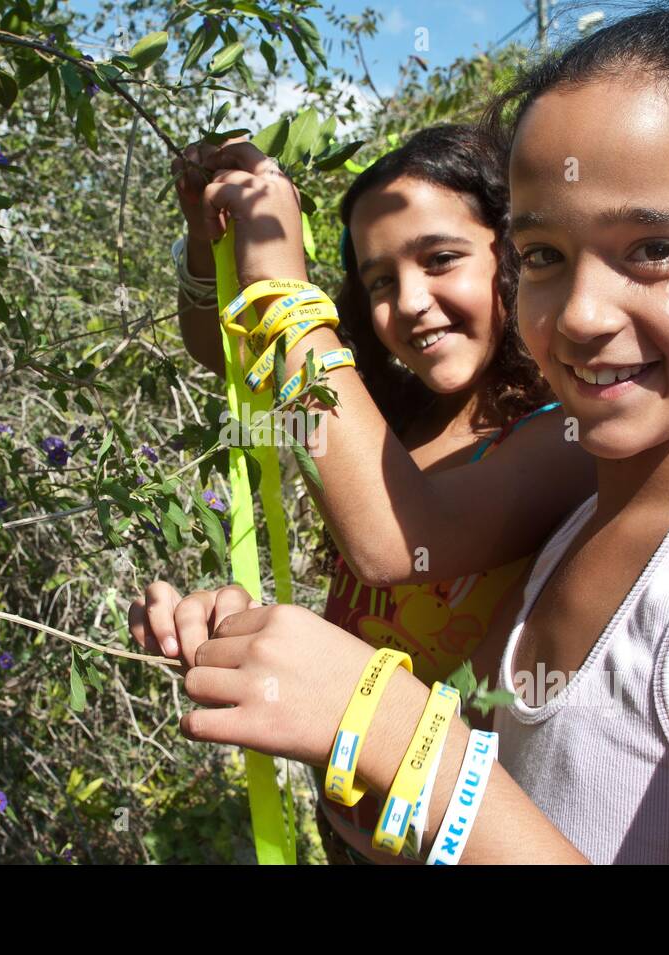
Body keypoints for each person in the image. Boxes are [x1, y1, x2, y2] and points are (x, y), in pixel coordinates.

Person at [133, 7, 669, 864]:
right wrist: (279, 664)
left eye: (654, 247)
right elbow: (487, 803)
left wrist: (397, 733)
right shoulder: (580, 525)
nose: (581, 316)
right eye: (543, 254)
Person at [168, 124, 585, 863]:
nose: (413, 302)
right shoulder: (393, 418)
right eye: (380, 281)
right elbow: (227, 352)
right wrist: (215, 247)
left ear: (515, 252)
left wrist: (286, 290)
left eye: (441, 259)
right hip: (351, 837)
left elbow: (393, 540)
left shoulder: (566, 437)